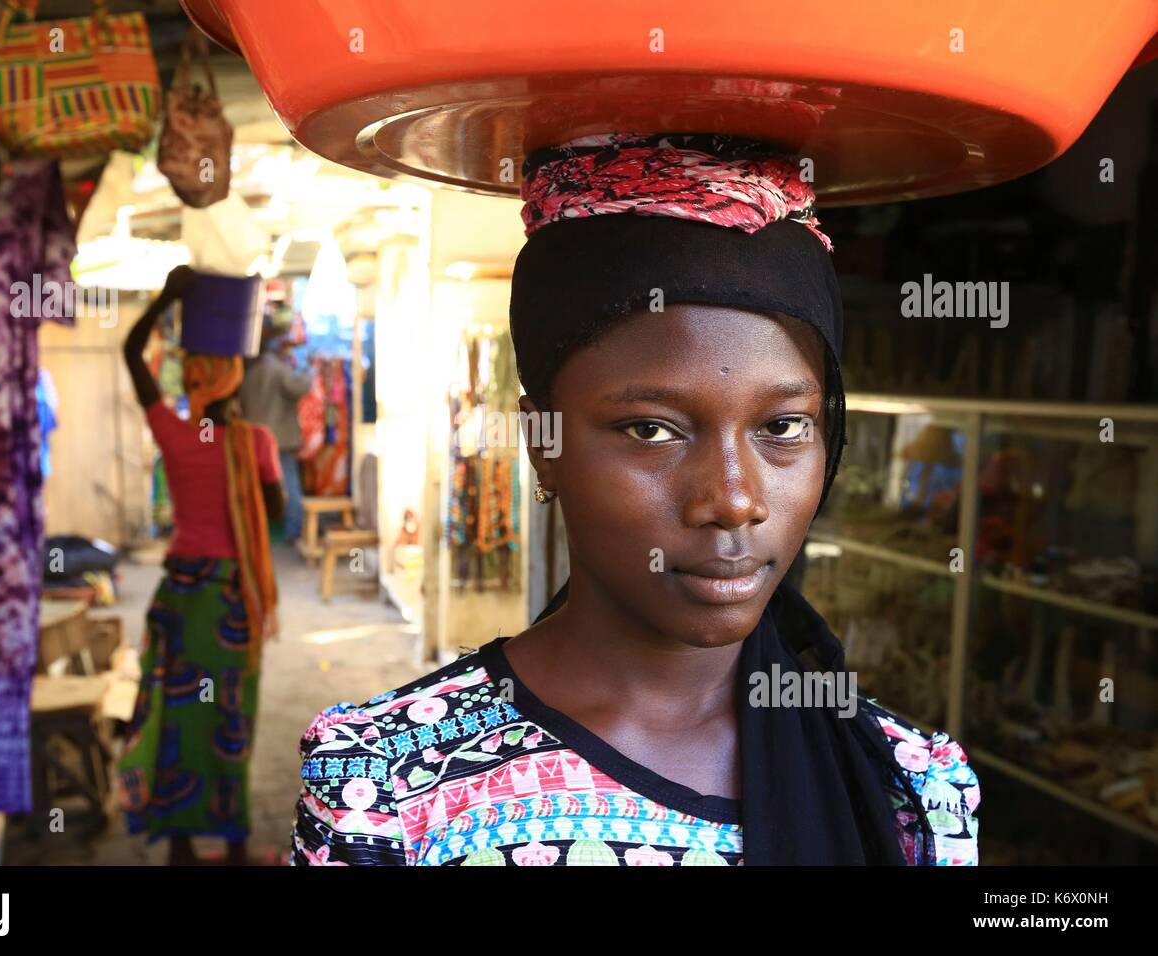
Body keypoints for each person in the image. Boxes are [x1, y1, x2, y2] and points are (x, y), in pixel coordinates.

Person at [290, 134, 980, 866]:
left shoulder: (914, 791)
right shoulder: (386, 785)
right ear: (543, 443)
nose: (734, 500)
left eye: (782, 427)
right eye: (651, 429)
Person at [118, 264, 287, 866]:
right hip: (231, 601)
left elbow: (131, 352)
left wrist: (169, 293)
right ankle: (236, 846)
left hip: (180, 596)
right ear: (234, 377)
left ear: (193, 377)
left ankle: (183, 847)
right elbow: (274, 515)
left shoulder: (174, 433)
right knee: (229, 717)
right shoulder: (256, 444)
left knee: (178, 714)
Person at [240, 326, 313, 544]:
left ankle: (259, 531)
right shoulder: (278, 370)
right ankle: (293, 530)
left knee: (259, 486)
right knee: (288, 483)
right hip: (278, 439)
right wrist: (309, 371)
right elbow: (298, 387)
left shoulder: (250, 373)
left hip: (254, 439)